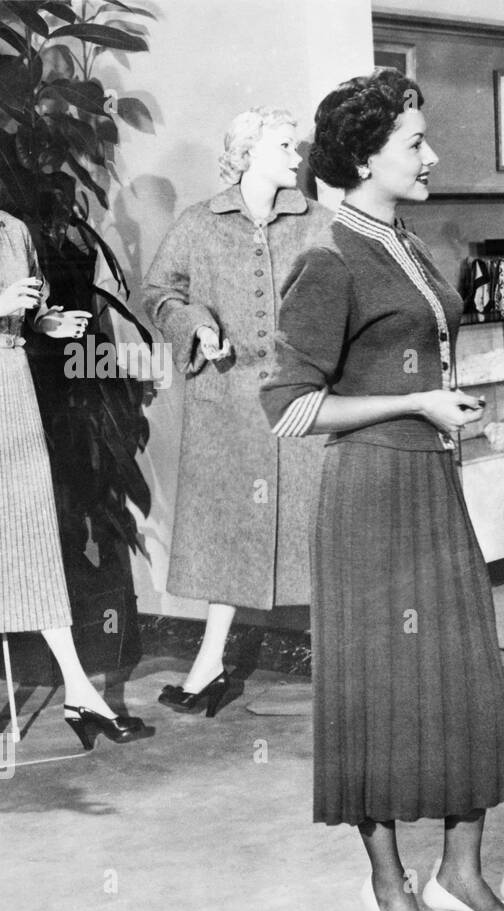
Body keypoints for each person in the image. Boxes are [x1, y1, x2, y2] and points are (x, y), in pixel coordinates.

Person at [259, 69, 504, 911]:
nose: (433, 154)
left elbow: (407, 357)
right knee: (378, 693)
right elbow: (289, 407)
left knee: (464, 674)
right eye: (415, 142)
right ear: (365, 155)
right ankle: (388, 887)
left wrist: (436, 401)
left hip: (432, 487)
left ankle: (462, 869)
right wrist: (412, 406)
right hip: (371, 499)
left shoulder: (403, 240)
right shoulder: (331, 256)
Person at [0, 104, 151, 751]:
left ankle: (77, 688)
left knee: (33, 538)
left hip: (13, 387)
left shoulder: (13, 229)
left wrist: (50, 324)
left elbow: (29, 311)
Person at [144, 107, 331, 716]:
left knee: (317, 531)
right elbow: (160, 293)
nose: (298, 156)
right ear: (248, 153)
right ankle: (209, 663)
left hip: (298, 400)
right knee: (229, 536)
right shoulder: (199, 223)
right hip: (224, 403)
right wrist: (197, 327)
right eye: (285, 145)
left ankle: (341, 669)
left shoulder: (320, 222)